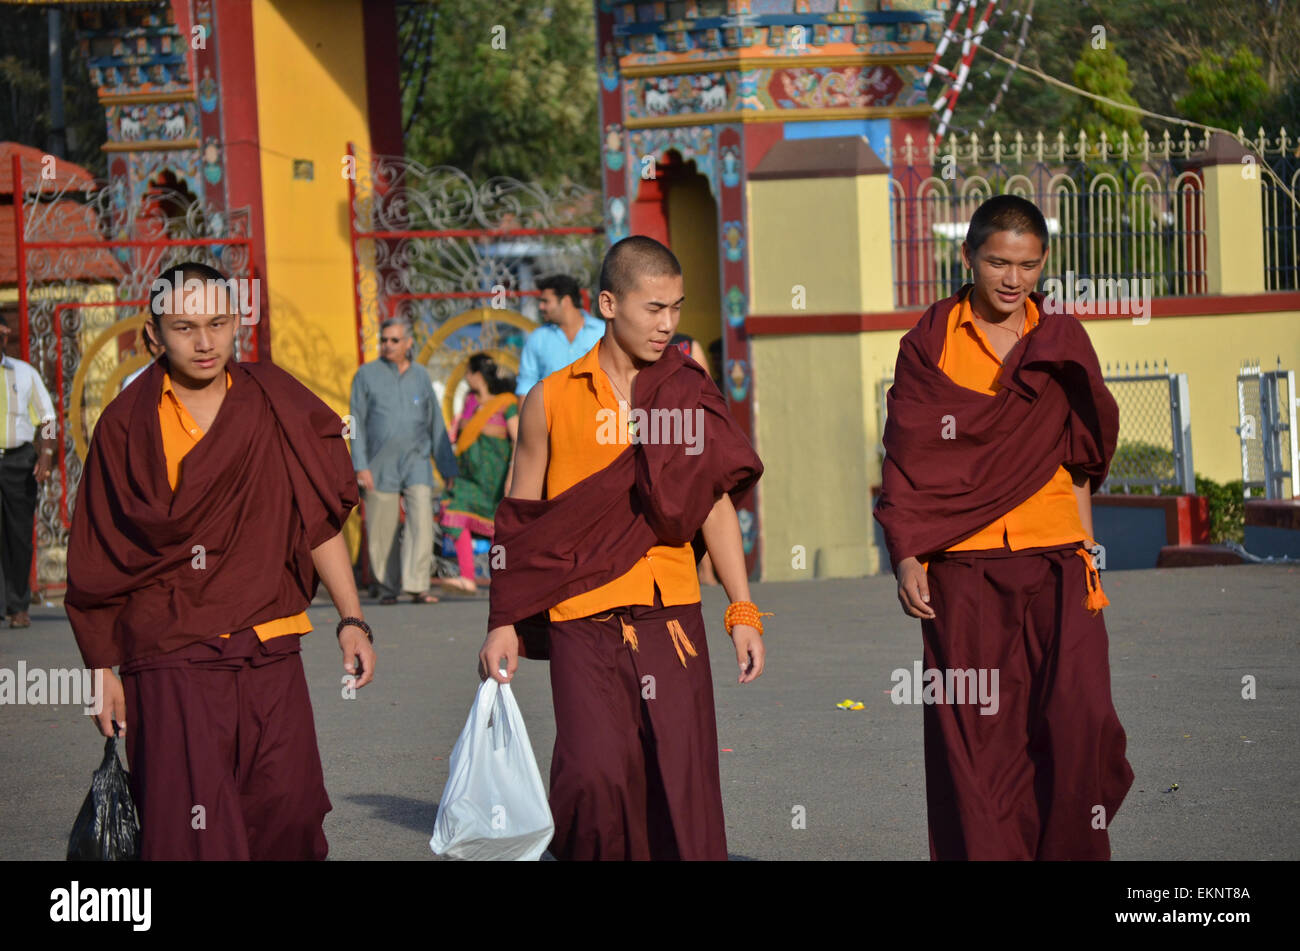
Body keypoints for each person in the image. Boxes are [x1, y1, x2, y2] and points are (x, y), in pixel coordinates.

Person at [65, 260, 375, 860]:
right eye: (184, 327)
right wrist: (101, 670)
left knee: (288, 806)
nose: (204, 342)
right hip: (169, 649)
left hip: (269, 640)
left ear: (238, 323)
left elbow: (317, 519)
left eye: (217, 323)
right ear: (153, 335)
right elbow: (100, 552)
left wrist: (352, 618)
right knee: (194, 828)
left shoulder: (274, 400)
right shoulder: (126, 427)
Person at [478, 235, 767, 861]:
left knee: (681, 777)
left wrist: (741, 610)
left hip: (670, 610)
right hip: (581, 611)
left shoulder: (687, 388)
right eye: (652, 308)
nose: (668, 326)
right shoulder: (550, 398)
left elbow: (713, 500)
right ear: (607, 303)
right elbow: (522, 520)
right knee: (593, 773)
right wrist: (503, 622)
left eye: (676, 308)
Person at [874, 195, 1133, 861]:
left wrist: (1088, 555)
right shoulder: (930, 345)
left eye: (1027, 264)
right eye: (997, 261)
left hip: (1057, 558)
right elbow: (906, 459)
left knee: (1081, 722)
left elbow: (1081, 454)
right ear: (967, 258)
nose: (1012, 279)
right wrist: (907, 557)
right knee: (979, 739)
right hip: (965, 565)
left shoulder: (1060, 341)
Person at [350, 317, 458, 605]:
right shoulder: (366, 375)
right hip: (378, 464)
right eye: (384, 340)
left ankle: (417, 585)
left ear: (408, 343)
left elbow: (436, 423)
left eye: (394, 340)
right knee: (382, 528)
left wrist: (446, 465)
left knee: (421, 518)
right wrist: (360, 465)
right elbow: (356, 422)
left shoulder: (421, 376)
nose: (388, 345)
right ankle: (388, 587)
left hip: (416, 461)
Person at [437, 353, 519, 594]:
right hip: (467, 476)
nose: (465, 377)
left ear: (477, 375)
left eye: (468, 373)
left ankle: (501, 581)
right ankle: (467, 577)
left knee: (498, 530)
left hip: (495, 478)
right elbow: (456, 433)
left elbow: (517, 439)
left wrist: (513, 473)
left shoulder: (506, 402)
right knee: (453, 511)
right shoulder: (470, 401)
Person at [0, 312, 57, 629]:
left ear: (5, 335)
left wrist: (46, 454)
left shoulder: (24, 373)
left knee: (19, 536)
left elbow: (47, 418)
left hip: (18, 461)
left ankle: (17, 605)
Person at [514, 274, 604, 397]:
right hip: (550, 415)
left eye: (546, 301)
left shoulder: (602, 332)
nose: (541, 307)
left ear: (566, 301)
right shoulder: (537, 338)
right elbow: (526, 385)